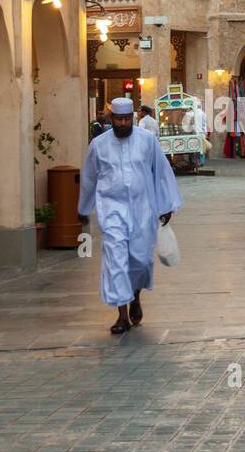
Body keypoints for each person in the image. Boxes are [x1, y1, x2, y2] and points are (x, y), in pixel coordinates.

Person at [78, 97, 183, 334]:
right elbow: (89, 178)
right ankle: (122, 315)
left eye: (127, 119)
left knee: (140, 261)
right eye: (118, 119)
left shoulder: (147, 141)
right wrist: (84, 209)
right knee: (116, 260)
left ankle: (135, 296)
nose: (123, 123)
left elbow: (162, 172)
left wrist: (166, 204)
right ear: (111, 119)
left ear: (132, 118)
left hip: (143, 210)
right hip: (112, 211)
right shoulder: (99, 145)